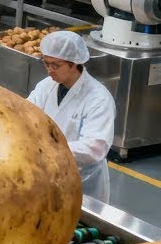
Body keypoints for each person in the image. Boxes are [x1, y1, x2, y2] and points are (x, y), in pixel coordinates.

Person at [27, 31, 115, 202]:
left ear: (74, 63)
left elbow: (95, 147)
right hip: (48, 174)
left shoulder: (98, 98)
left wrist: (49, 149)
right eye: (46, 64)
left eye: (55, 65)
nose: (50, 71)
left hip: (83, 182)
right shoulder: (47, 86)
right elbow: (26, 112)